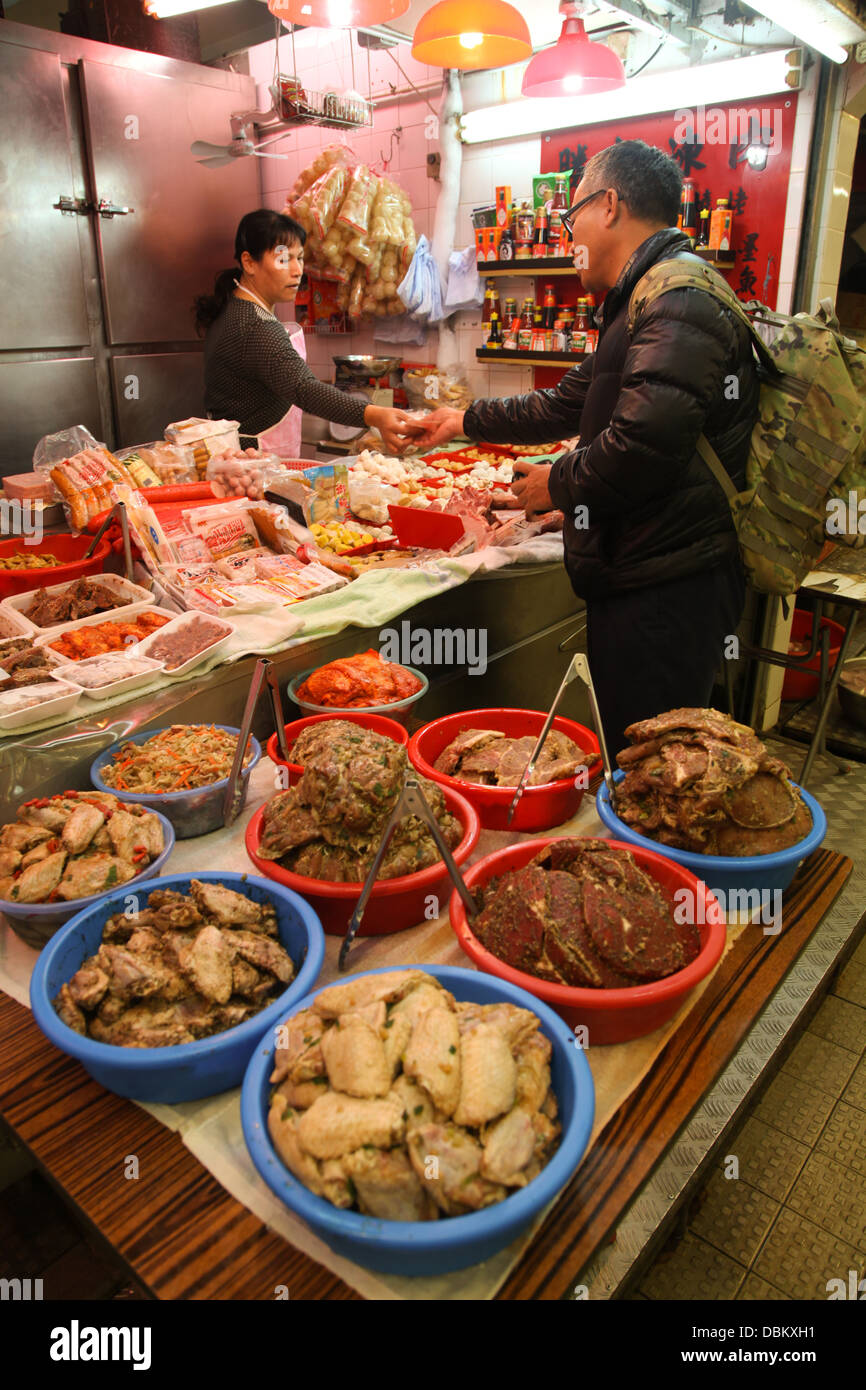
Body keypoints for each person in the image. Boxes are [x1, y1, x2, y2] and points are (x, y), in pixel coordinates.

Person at [413, 141, 759, 755]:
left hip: (670, 584)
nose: (568, 235)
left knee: (657, 764)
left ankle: (651, 852)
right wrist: (462, 419)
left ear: (610, 205)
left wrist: (557, 483)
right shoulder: (645, 299)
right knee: (636, 752)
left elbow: (643, 444)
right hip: (644, 572)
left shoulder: (679, 301)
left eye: (570, 218)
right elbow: (562, 402)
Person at [195, 210, 422, 455]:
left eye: (300, 258)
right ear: (249, 262)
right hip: (251, 463)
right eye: (283, 259)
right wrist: (375, 414)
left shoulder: (236, 308)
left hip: (246, 460)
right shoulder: (254, 325)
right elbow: (304, 389)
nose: (296, 270)